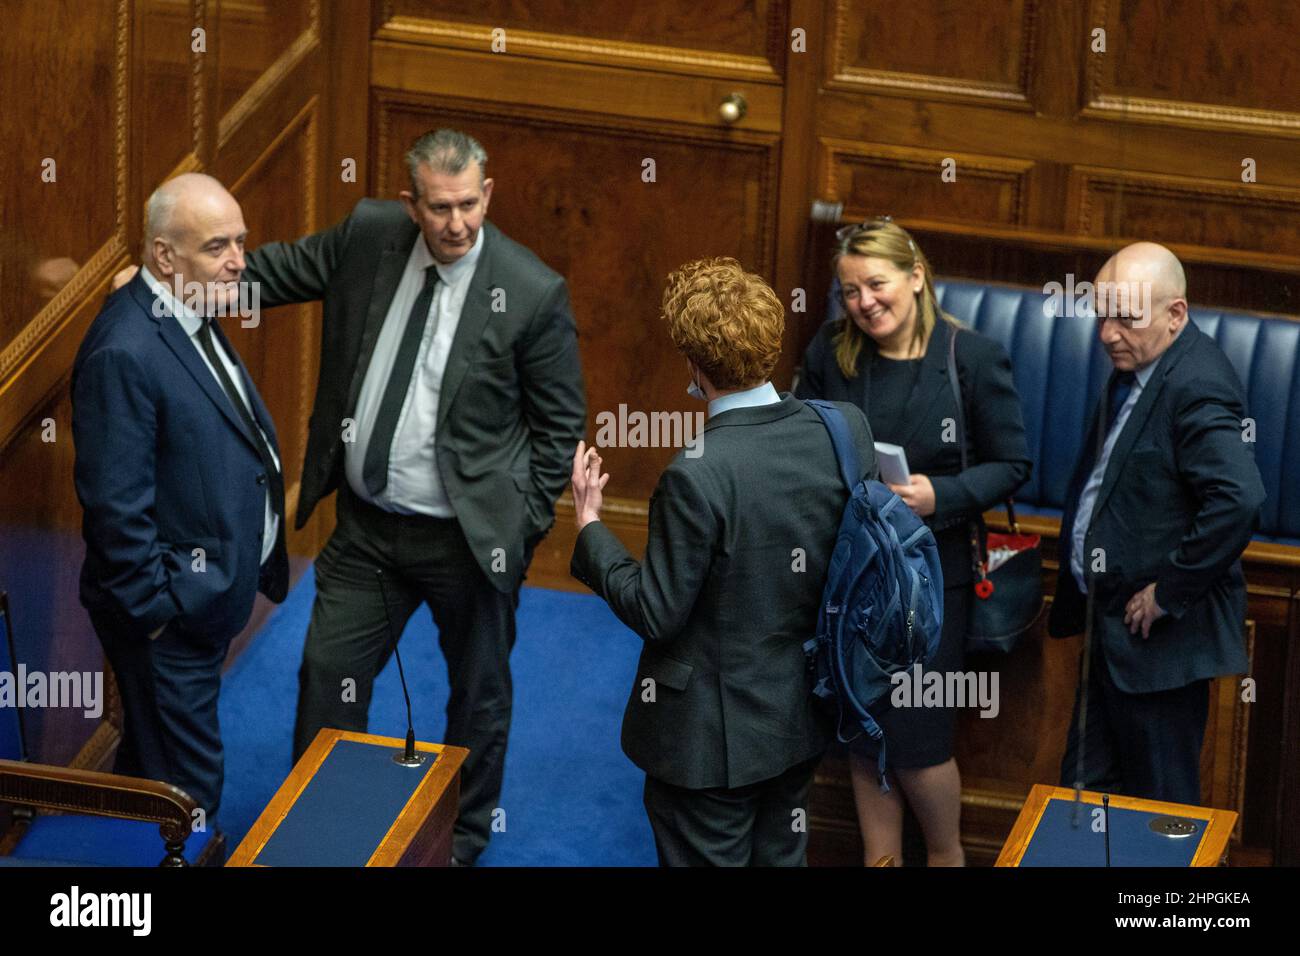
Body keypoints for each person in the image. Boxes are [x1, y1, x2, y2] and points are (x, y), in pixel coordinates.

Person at [242, 129, 583, 865]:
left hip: (468, 540)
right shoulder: (370, 235)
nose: (456, 223)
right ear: (410, 203)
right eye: (438, 208)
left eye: (468, 205)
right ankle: (325, 833)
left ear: (488, 195)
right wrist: (171, 290)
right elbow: (271, 274)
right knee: (327, 677)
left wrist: (518, 532)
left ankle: (460, 841)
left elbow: (560, 427)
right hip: (367, 533)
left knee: (477, 697)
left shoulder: (528, 291)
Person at [570, 257, 877, 866]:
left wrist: (590, 526)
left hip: (709, 746)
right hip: (803, 716)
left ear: (693, 366)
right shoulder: (845, 428)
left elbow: (657, 611)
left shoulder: (698, 474)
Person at [795, 218, 1031, 866]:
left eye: (876, 284)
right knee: (866, 735)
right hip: (852, 575)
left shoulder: (972, 356)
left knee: (920, 737)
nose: (864, 302)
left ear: (916, 276)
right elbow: (800, 433)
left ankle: (947, 857)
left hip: (936, 578)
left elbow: (1013, 464)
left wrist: (940, 496)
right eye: (849, 291)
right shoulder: (832, 349)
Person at [73, 173, 289, 822]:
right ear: (164, 256)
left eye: (242, 242)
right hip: (168, 621)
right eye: (217, 246)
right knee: (187, 799)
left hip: (198, 603)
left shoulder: (185, 307)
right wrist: (161, 613)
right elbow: (116, 508)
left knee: (152, 766)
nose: (238, 262)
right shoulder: (125, 351)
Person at [1049, 241, 1264, 806]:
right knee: (1083, 803)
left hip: (1158, 649)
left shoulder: (1197, 384)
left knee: (1158, 816)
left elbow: (1238, 499)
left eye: (1126, 317)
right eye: (1102, 315)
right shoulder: (1142, 360)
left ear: (1176, 315)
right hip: (1112, 633)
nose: (1106, 334)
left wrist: (1169, 592)